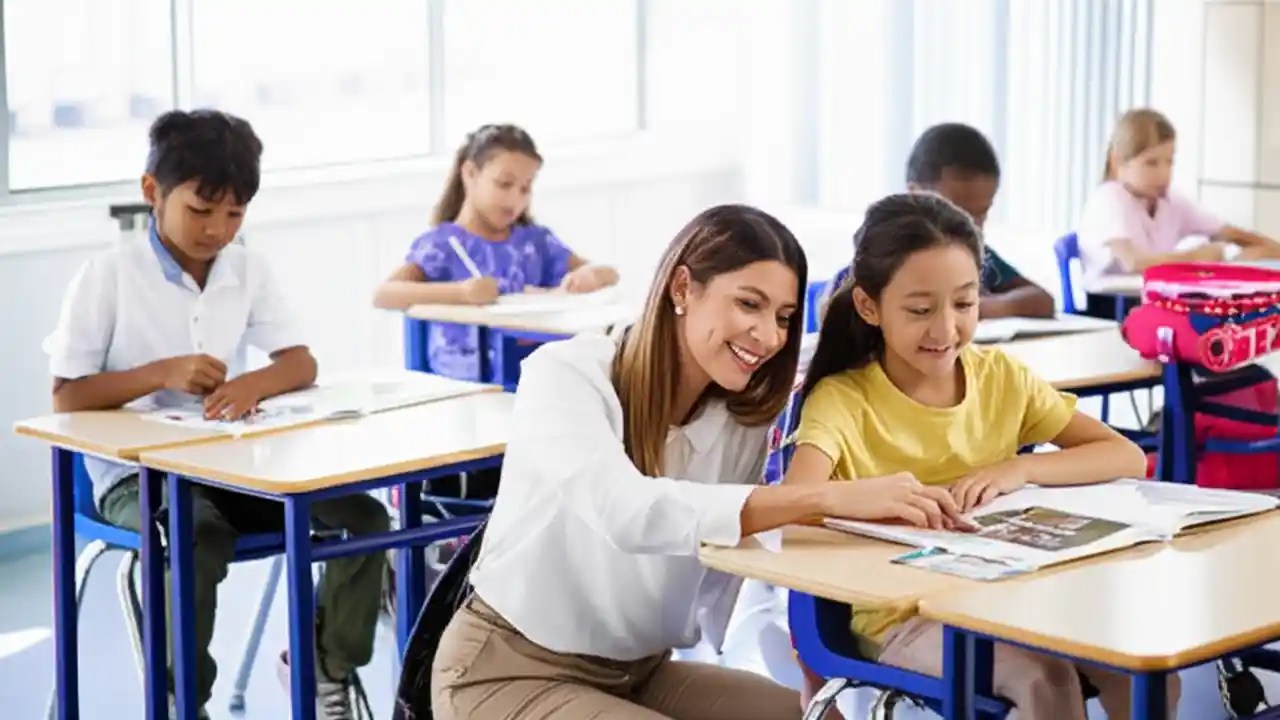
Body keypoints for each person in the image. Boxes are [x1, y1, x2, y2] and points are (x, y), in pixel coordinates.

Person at [412, 204, 967, 719]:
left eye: (783, 316)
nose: (769, 336)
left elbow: (745, 556)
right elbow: (625, 511)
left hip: (638, 673)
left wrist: (818, 686)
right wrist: (821, 497)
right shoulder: (564, 375)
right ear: (683, 287)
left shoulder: (741, 418)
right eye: (748, 304)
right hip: (506, 671)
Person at [43, 109, 388, 720]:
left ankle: (324, 668)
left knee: (366, 517)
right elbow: (66, 397)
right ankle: (182, 700)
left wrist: (255, 383)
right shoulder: (108, 276)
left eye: (234, 214)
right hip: (135, 476)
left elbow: (300, 363)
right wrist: (160, 374)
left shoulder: (246, 268)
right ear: (152, 192)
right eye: (201, 211)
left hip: (229, 464)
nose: (217, 231)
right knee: (195, 534)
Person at [786, 192, 1176, 719]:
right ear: (869, 306)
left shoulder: (1000, 379)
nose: (946, 330)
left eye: (965, 304)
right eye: (921, 310)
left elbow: (1124, 456)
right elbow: (791, 504)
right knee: (1044, 678)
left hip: (1008, 595)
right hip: (903, 614)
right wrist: (874, 498)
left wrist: (1018, 468)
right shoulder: (844, 400)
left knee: (1147, 663)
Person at [373, 123, 619, 381]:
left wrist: (592, 275)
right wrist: (461, 293)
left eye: (525, 188)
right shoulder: (442, 245)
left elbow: (608, 273)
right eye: (504, 184)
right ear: (469, 173)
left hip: (531, 377)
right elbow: (384, 295)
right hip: (461, 383)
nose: (516, 199)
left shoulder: (535, 243)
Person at [827, 123, 1053, 319]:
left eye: (981, 214)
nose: (973, 229)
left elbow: (1042, 301)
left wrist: (981, 308)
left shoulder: (981, 258)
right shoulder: (880, 261)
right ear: (915, 195)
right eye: (959, 213)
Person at [1078, 108, 1280, 290]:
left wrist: (1267, 251)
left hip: (1151, 298)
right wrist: (1196, 258)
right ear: (1117, 162)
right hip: (1112, 306)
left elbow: (1230, 233)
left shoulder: (1169, 201)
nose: (1163, 173)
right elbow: (1133, 263)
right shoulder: (1109, 199)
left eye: (1170, 162)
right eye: (1151, 163)